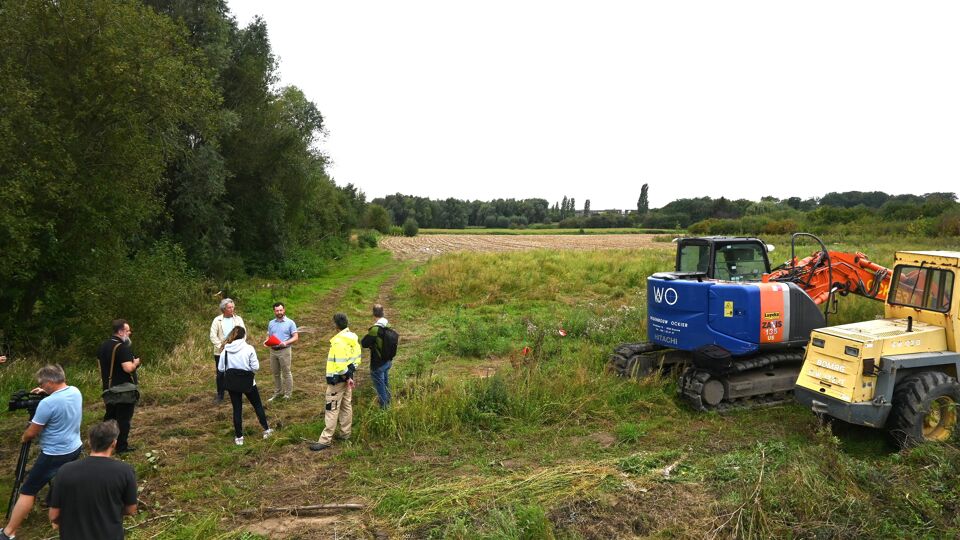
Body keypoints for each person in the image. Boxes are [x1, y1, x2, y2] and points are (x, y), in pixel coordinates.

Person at [0, 365, 83, 540]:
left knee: (28, 490)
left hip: (54, 454)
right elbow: (59, 399)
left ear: (50, 382)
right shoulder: (75, 391)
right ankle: (58, 512)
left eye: (42, 384)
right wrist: (46, 392)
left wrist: (24, 437)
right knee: (63, 479)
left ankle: (9, 532)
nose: (40, 386)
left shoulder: (47, 403)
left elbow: (32, 433)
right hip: (74, 447)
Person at [48, 420, 137, 540]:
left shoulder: (65, 471)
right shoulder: (125, 471)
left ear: (89, 442)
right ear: (114, 443)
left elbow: (54, 515)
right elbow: (131, 509)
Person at [310, 313, 360, 451]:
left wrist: (346, 377)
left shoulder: (338, 342)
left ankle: (325, 440)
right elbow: (357, 359)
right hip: (348, 379)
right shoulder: (353, 337)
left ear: (336, 325)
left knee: (331, 408)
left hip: (337, 381)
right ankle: (345, 434)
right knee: (346, 405)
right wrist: (350, 375)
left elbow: (340, 366)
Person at [219, 326, 273, 445]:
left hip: (233, 384)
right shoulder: (249, 348)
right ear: (244, 336)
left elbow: (221, 368)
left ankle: (239, 437)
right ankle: (266, 430)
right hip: (249, 383)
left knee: (237, 409)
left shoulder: (225, 350)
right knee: (257, 405)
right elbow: (256, 367)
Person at [97, 319, 141, 454]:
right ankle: (121, 447)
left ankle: (103, 444)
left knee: (110, 418)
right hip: (123, 390)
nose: (130, 333)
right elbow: (128, 368)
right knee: (123, 420)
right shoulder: (122, 348)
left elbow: (100, 367)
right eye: (128, 331)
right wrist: (136, 363)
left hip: (109, 388)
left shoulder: (103, 346)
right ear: (121, 332)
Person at [209, 298, 246, 403]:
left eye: (233, 307)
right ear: (223, 309)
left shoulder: (238, 319)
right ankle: (220, 395)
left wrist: (238, 345)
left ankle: (237, 392)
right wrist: (221, 346)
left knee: (236, 371)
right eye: (229, 307)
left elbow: (244, 333)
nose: (232, 309)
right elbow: (213, 336)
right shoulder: (217, 320)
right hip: (220, 351)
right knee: (220, 373)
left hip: (236, 350)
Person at [360, 304, 393, 408]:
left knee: (380, 386)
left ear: (373, 314)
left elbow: (364, 343)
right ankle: (389, 402)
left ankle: (384, 409)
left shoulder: (375, 329)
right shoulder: (388, 325)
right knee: (385, 383)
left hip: (377, 364)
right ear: (383, 312)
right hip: (387, 361)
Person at [265, 302, 298, 401]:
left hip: (285, 350)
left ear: (284, 310)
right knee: (275, 373)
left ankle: (288, 394)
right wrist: (266, 341)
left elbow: (295, 337)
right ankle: (278, 392)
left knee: (286, 372)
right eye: (277, 311)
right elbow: (269, 336)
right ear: (274, 311)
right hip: (273, 350)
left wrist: (286, 342)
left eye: (281, 310)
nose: (279, 312)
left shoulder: (290, 323)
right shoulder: (271, 323)